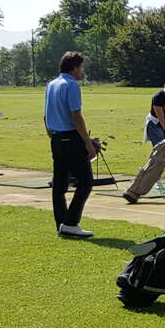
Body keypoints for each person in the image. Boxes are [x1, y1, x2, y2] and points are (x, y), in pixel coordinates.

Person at [44, 51, 99, 239]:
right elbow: (76, 116)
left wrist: (52, 136)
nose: (82, 71)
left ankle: (61, 223)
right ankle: (70, 222)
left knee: (59, 184)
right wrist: (88, 143)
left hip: (56, 137)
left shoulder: (51, 84)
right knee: (86, 181)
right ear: (74, 67)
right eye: (81, 67)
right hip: (70, 137)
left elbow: (45, 115)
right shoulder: (72, 85)